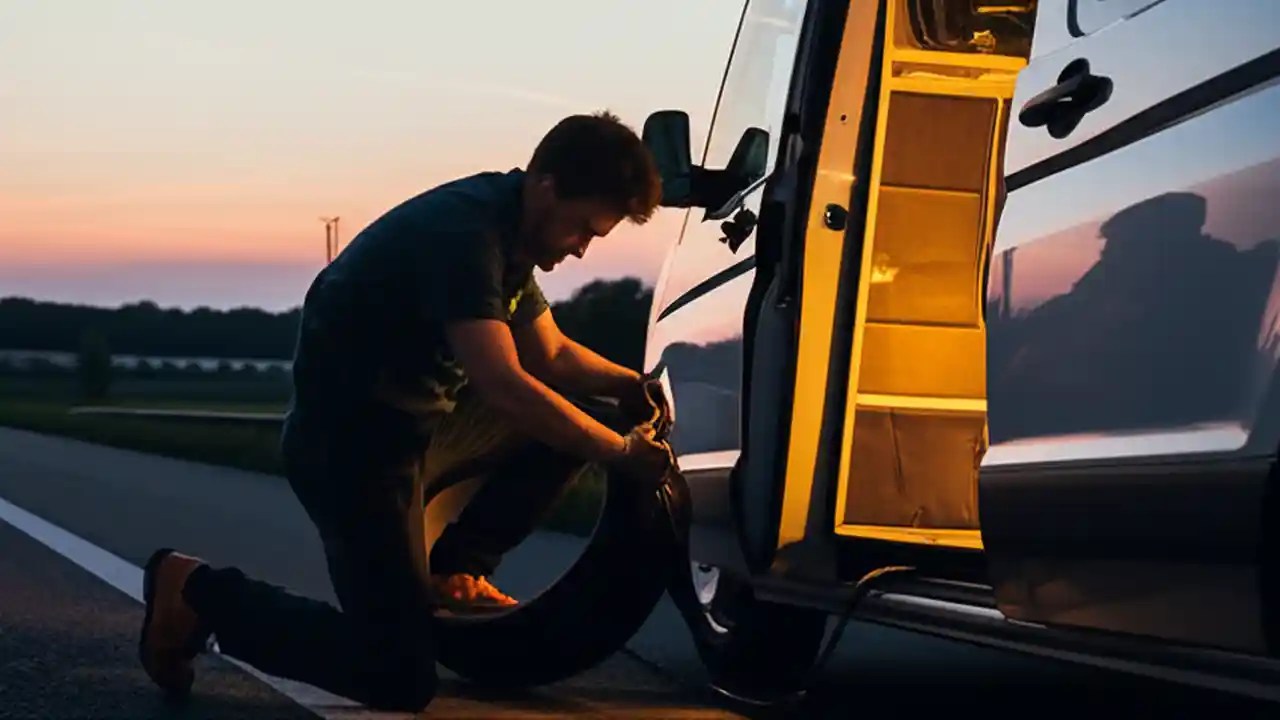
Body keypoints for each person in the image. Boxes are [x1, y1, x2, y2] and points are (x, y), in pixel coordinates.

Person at [136, 110, 674, 712]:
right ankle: (196, 592)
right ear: (547, 187)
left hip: (419, 428)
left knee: (573, 422)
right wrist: (622, 453)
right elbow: (504, 383)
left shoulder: (513, 229)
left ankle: (456, 568)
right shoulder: (464, 234)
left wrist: (634, 387)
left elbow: (550, 354)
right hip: (351, 449)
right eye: (582, 230)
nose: (581, 250)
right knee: (396, 675)